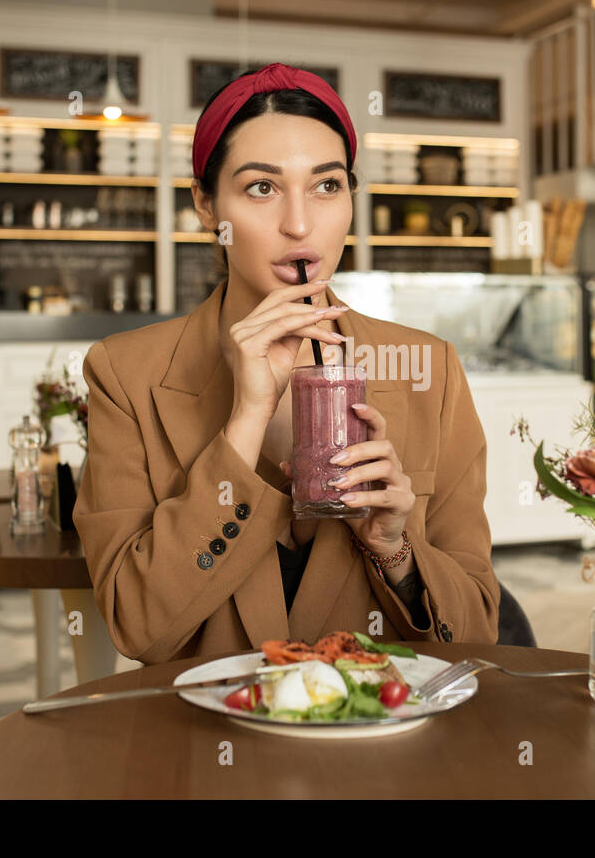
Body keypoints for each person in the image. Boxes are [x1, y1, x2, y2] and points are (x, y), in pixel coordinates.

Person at [73, 62, 499, 664]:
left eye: (327, 186)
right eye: (261, 188)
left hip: (379, 746)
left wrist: (394, 548)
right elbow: (141, 628)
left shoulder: (430, 369)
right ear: (204, 204)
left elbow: (477, 634)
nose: (300, 225)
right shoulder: (124, 374)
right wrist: (245, 421)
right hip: (206, 742)